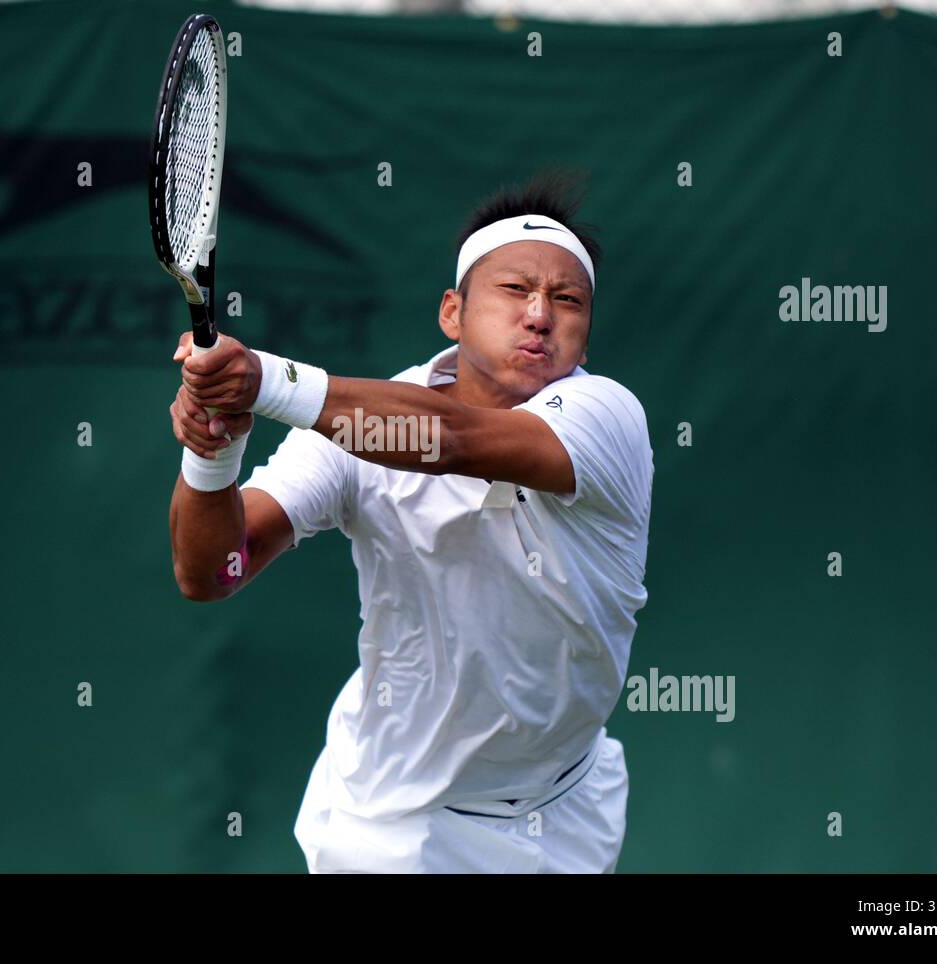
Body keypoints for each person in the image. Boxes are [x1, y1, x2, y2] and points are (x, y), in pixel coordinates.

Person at [168, 172, 654, 873]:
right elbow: (211, 571)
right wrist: (213, 455)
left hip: (567, 807)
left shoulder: (607, 418)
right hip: (390, 827)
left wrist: (267, 383)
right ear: (452, 313)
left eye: (567, 299)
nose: (541, 315)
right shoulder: (344, 432)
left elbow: (451, 440)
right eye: (516, 290)